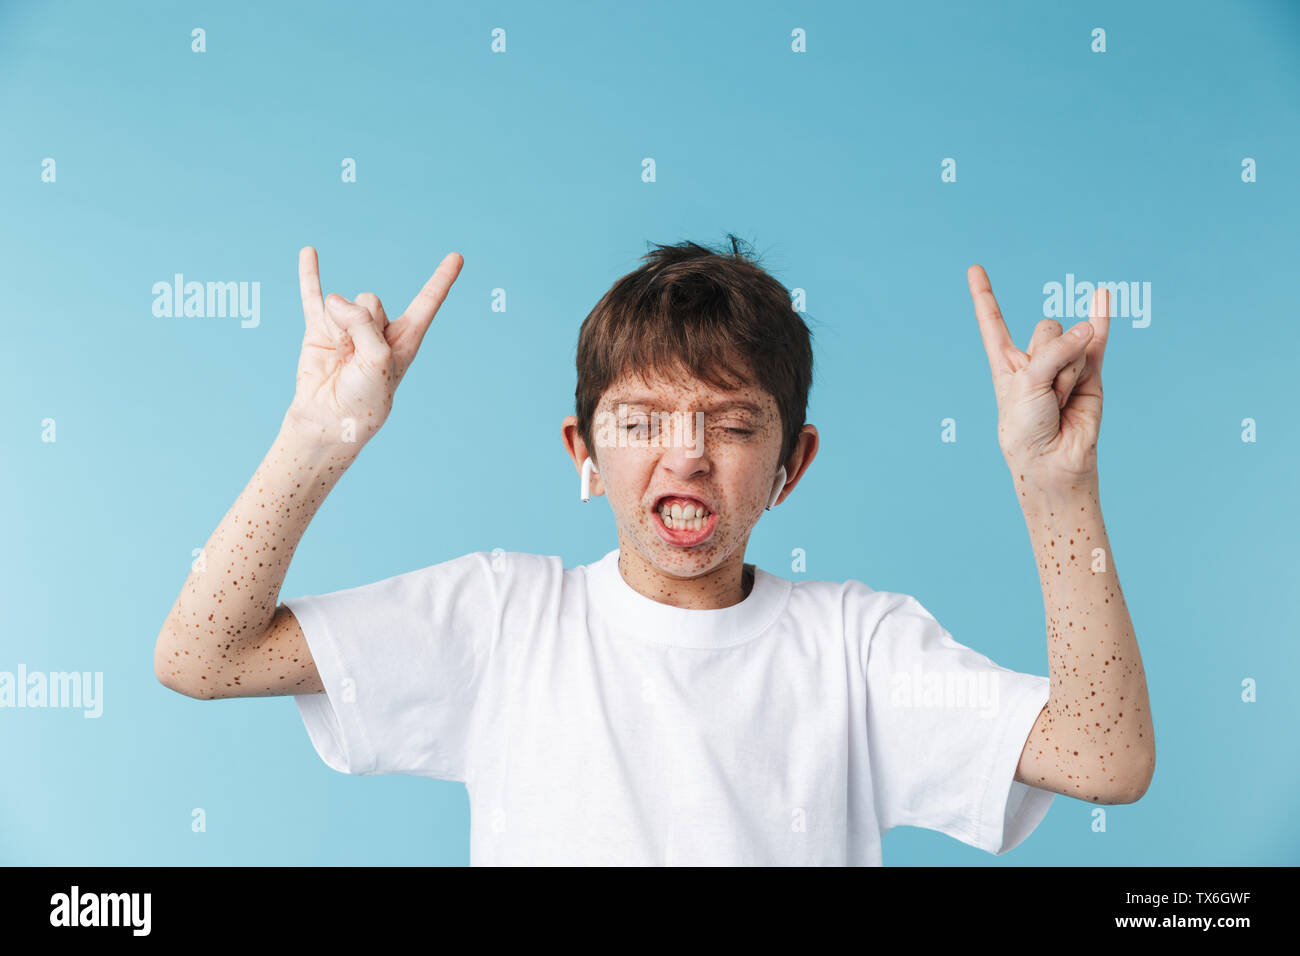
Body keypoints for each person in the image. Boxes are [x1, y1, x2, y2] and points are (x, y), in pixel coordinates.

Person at [154, 236, 1155, 865]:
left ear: (789, 466)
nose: (685, 453)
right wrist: (317, 432)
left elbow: (1103, 757)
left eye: (729, 423)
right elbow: (203, 655)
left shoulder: (857, 645)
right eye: (638, 422)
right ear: (582, 452)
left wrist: (1055, 484)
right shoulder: (501, 620)